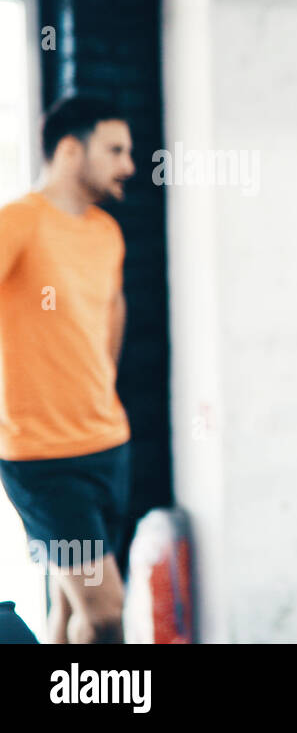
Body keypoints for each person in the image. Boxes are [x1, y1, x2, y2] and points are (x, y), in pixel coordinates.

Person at [0, 95, 135, 644]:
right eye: (116, 149)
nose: (129, 164)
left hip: (107, 443)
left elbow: (111, 317)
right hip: (43, 458)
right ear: (71, 149)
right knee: (107, 613)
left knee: (70, 606)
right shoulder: (19, 222)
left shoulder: (107, 232)